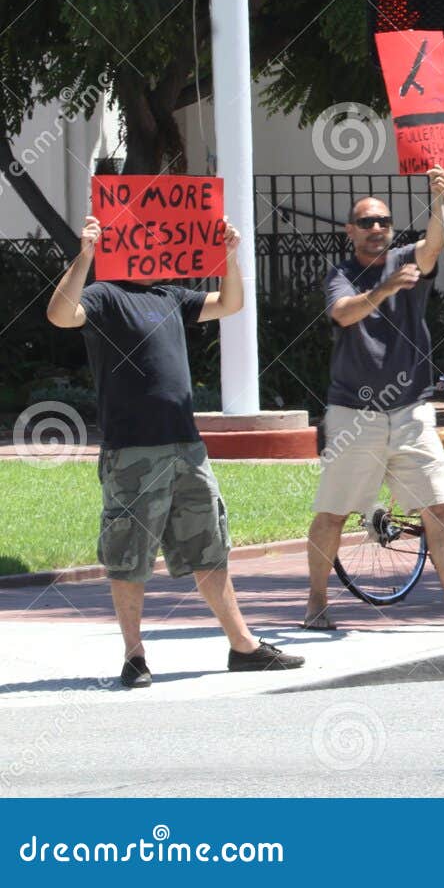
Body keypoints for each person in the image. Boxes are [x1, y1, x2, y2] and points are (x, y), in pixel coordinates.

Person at [47, 213, 305, 688]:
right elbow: (61, 314)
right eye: (142, 237)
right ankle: (134, 655)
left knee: (210, 546)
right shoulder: (106, 295)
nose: (152, 244)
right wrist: (84, 256)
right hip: (132, 451)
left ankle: (242, 645)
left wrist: (229, 253)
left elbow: (230, 303)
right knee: (129, 554)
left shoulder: (171, 296)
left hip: (187, 447)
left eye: (157, 237)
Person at [304, 165, 444, 632]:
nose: (377, 229)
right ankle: (316, 603)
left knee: (438, 506)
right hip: (355, 413)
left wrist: (439, 199)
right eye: (367, 222)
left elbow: (434, 245)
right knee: (333, 512)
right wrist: (387, 288)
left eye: (384, 222)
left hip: (412, 407)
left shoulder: (408, 259)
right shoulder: (343, 274)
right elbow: (343, 313)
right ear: (350, 230)